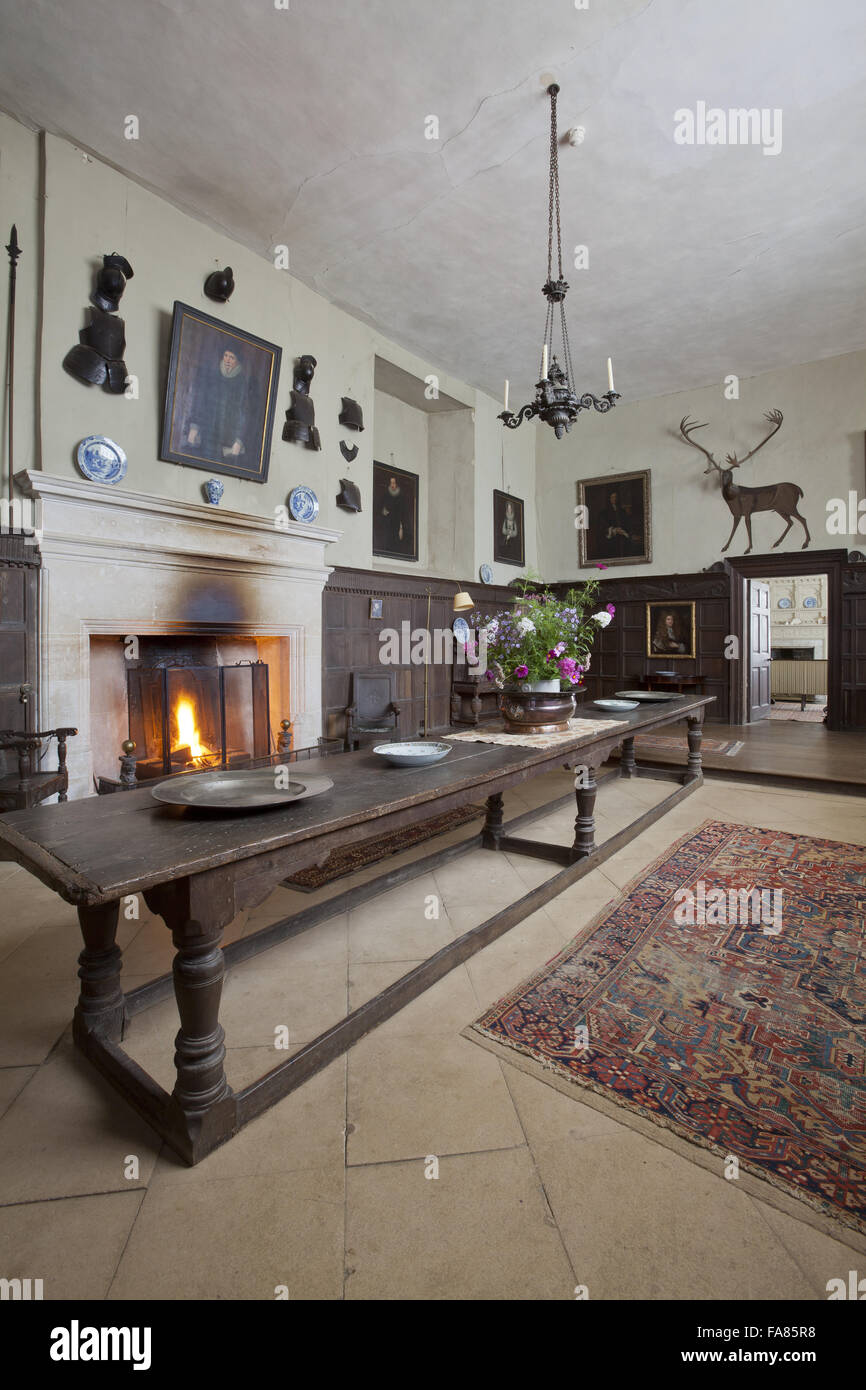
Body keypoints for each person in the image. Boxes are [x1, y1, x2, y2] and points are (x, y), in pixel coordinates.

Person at [186, 345, 251, 462]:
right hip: (206, 432)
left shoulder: (242, 383)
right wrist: (194, 427)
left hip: (228, 440)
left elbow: (245, 414)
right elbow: (200, 402)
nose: (227, 360)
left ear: (237, 361)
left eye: (232, 357)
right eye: (225, 355)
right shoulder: (213, 376)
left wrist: (239, 440)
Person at [379, 475, 411, 553]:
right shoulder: (385, 494)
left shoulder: (402, 496)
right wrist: (383, 511)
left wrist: (401, 524)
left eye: (394, 483)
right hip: (388, 521)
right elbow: (381, 507)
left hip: (398, 521)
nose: (392, 485)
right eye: (391, 483)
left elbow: (404, 511)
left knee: (397, 539)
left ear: (397, 484)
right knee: (388, 538)